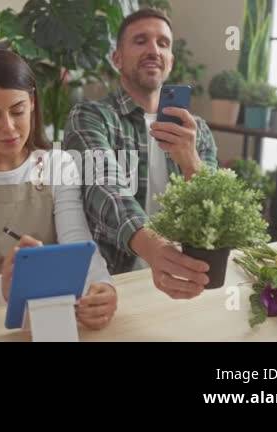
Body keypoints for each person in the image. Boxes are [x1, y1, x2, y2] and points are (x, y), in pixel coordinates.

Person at [0, 47, 117, 330]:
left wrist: (103, 287)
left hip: (44, 322)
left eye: (17, 111)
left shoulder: (58, 164)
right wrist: (1, 289)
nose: (9, 127)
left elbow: (79, 244)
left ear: (32, 103)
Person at [63, 8, 219, 300]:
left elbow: (216, 213)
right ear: (117, 58)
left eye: (163, 43)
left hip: (185, 279)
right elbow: (103, 187)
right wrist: (156, 250)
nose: (153, 50)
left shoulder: (197, 131)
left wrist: (190, 161)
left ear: (171, 60)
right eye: (140, 41)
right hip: (111, 283)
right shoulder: (90, 117)